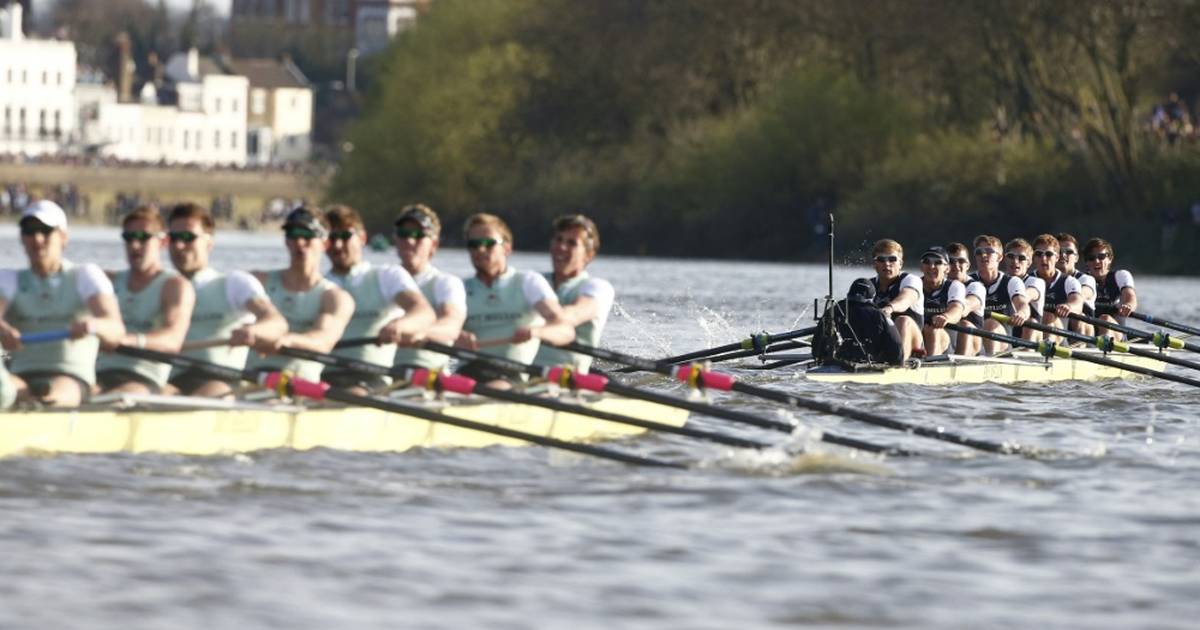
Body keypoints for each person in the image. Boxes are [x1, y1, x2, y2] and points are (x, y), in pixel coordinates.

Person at [0, 200, 125, 406]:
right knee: (8, 391)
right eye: (30, 231)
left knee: (50, 397)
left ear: (63, 237)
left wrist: (92, 326)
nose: (38, 238)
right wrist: (3, 329)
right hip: (21, 377)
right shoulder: (8, 278)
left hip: (71, 378)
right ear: (22, 238)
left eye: (46, 230)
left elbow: (116, 330)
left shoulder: (85, 276)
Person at [166, 202, 287, 397]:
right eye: (174, 238)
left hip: (222, 381)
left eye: (188, 238)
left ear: (209, 243)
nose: (179, 245)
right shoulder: (162, 287)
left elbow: (277, 323)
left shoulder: (235, 283)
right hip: (172, 381)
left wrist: (253, 331)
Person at [321, 205, 434, 392]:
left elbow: (424, 313)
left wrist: (398, 326)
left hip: (372, 377)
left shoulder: (387, 276)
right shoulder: (321, 285)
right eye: (332, 238)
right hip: (324, 377)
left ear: (362, 238)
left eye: (345, 236)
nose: (338, 245)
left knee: (352, 393)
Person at [456, 213, 574, 385]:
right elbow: (440, 327)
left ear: (507, 248)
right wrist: (455, 334)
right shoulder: (460, 288)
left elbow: (565, 330)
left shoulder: (528, 282)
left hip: (511, 374)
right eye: (474, 245)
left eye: (488, 244)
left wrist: (536, 332)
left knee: (497, 386)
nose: (480, 250)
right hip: (466, 374)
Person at [95, 206, 196, 394]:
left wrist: (127, 340)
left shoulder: (175, 286)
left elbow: (173, 340)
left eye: (142, 238)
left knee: (120, 395)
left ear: (163, 241)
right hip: (100, 373)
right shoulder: (107, 281)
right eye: (129, 238)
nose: (134, 245)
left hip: (144, 378)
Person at [248, 207, 354, 382]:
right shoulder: (258, 282)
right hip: (254, 378)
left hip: (301, 386)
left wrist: (286, 340)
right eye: (293, 234)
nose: (299, 242)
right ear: (286, 241)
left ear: (325, 243)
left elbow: (323, 341)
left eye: (307, 235)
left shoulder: (335, 298)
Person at [533, 214, 615, 373]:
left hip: (564, 383)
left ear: (589, 255)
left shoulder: (597, 288)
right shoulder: (534, 281)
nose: (561, 247)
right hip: (520, 376)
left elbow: (572, 316)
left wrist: (534, 331)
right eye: (558, 239)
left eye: (571, 243)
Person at [391, 204, 467, 372]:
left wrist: (421, 333)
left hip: (427, 373)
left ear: (434, 244)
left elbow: (451, 325)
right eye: (403, 234)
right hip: (382, 372)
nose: (409, 241)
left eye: (418, 235)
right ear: (395, 240)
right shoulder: (383, 280)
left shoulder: (445, 283)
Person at [968, 234, 1031, 355]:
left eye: (989, 251)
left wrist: (1021, 313)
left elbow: (1023, 304)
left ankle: (991, 364)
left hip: (1002, 341)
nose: (983, 255)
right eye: (979, 252)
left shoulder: (1012, 282)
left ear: (1000, 257)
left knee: (990, 323)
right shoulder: (967, 281)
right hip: (975, 340)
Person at [867, 239, 923, 362]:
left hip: (914, 344)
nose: (887, 264)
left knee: (903, 320)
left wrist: (890, 308)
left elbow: (906, 299)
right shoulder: (868, 286)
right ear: (874, 264)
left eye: (892, 259)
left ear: (901, 264)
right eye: (881, 259)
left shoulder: (911, 280)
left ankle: (899, 364)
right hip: (881, 343)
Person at [1029, 234, 1083, 342]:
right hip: (1034, 334)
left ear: (1057, 257)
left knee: (1048, 316)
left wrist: (1069, 306)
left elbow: (1078, 302)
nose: (1043, 259)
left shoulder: (1069, 281)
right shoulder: (1027, 280)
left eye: (1048, 254)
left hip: (1060, 335)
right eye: (1039, 254)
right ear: (1033, 257)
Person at [918, 246, 967, 356]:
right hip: (919, 341)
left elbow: (957, 309)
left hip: (946, 344)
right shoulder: (913, 285)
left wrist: (946, 317)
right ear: (921, 267)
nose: (931, 266)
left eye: (938, 262)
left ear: (947, 268)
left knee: (933, 330)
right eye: (927, 262)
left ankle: (931, 366)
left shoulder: (954, 286)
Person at [1084, 237, 1137, 336]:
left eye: (1101, 256)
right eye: (1091, 258)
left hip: (1115, 332)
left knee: (1105, 319)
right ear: (1087, 262)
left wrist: (1128, 305)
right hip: (1089, 333)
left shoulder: (1120, 276)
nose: (1096, 261)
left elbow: (1130, 296)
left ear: (1109, 259)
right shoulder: (1081, 280)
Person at [1055, 232, 1097, 335]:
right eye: (1059, 251)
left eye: (1068, 251)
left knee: (1079, 316)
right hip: (1055, 332)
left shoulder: (1086, 280)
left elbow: (1080, 296)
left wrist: (1070, 305)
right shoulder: (1041, 279)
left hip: (1083, 335)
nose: (1063, 255)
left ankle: (1078, 348)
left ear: (1077, 257)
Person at [947, 241, 984, 356]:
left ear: (967, 265)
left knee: (964, 325)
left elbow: (966, 306)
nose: (956, 265)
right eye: (951, 261)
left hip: (972, 342)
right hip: (945, 338)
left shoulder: (976, 286)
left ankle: (960, 365)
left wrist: (949, 314)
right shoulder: (937, 285)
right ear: (945, 265)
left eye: (961, 261)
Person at [1004, 238, 1045, 341]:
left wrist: (1021, 312)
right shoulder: (999, 281)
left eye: (1021, 258)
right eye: (1011, 256)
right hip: (1003, 337)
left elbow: (1026, 296)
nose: (1015, 261)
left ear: (1029, 262)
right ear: (1005, 259)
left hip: (1030, 337)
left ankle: (1026, 355)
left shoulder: (1036, 282)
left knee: (1031, 323)